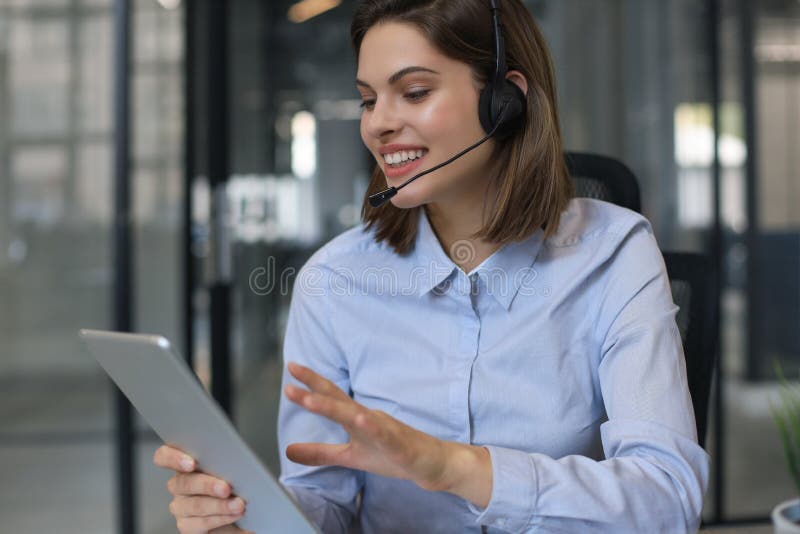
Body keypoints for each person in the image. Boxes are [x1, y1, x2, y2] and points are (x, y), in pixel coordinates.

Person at [153, 0, 709, 532]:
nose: (378, 125)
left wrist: (454, 468)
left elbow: (667, 498)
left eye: (414, 92)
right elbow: (324, 502)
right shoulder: (334, 281)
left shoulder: (613, 253)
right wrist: (243, 524)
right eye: (369, 100)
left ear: (504, 102)